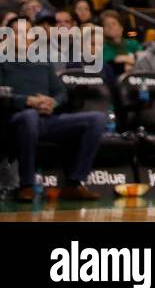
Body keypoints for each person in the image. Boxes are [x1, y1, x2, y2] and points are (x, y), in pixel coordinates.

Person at [0, 16, 106, 201]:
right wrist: (28, 101)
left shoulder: (44, 63)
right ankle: (26, 185)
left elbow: (61, 93)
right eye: (18, 33)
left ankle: (75, 183)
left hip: (46, 119)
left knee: (97, 118)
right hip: (13, 120)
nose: (25, 37)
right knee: (30, 116)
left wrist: (52, 103)